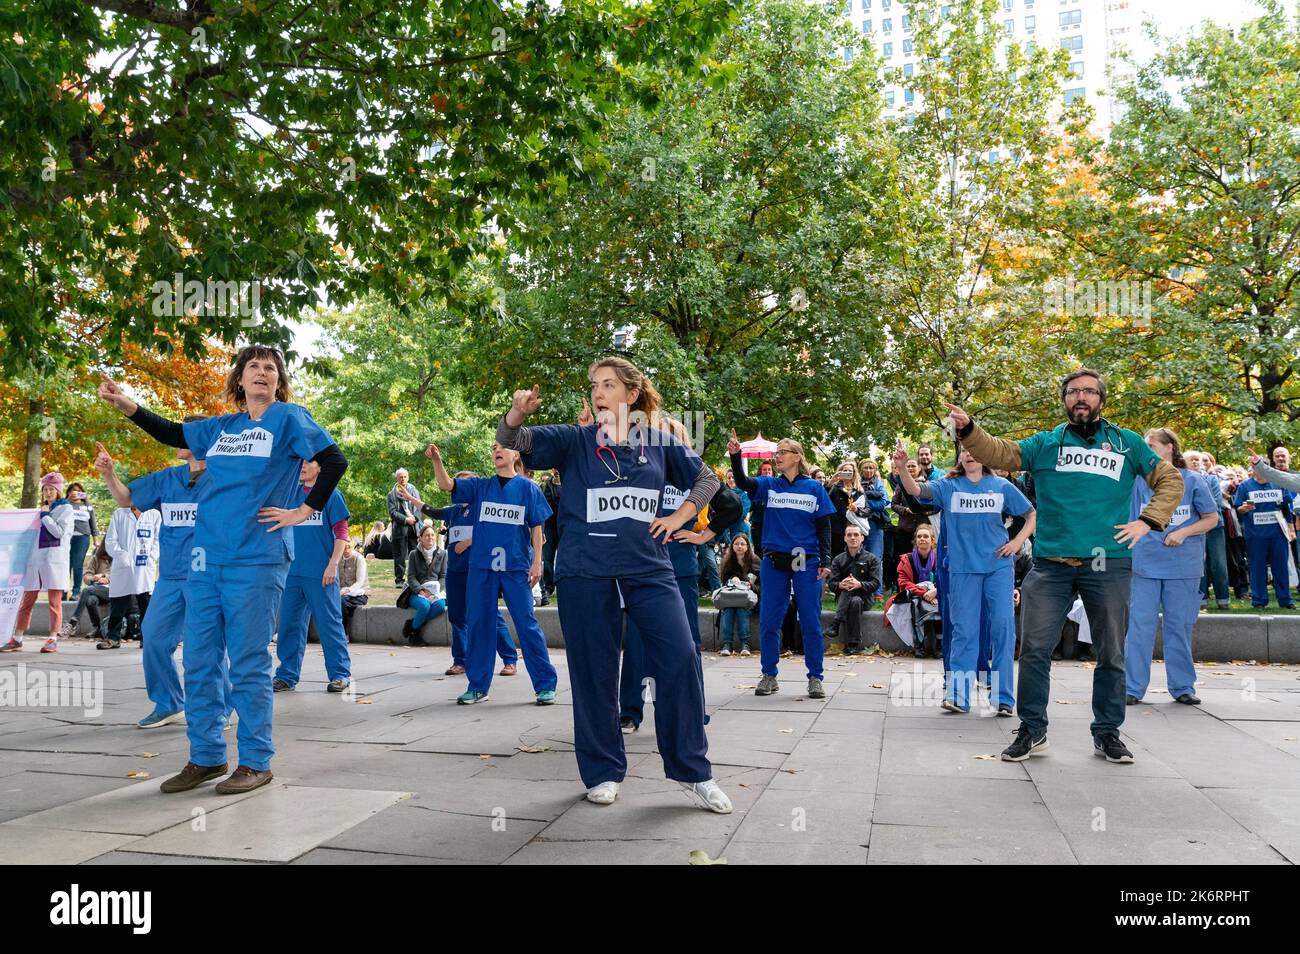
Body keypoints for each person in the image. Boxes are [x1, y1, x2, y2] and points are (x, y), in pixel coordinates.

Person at [99, 344, 347, 795]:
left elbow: (334, 461)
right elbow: (174, 432)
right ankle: (207, 756)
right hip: (204, 559)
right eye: (253, 366)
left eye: (270, 368)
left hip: (257, 558)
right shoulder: (223, 427)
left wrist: (302, 511)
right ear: (239, 378)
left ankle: (255, 761)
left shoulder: (290, 419)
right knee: (198, 659)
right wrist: (126, 404)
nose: (261, 373)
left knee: (249, 661)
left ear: (278, 381)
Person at [495, 357, 732, 813]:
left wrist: (682, 516)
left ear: (630, 393)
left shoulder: (660, 443)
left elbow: (706, 479)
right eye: (594, 385)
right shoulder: (574, 439)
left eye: (608, 384)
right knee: (593, 670)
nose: (599, 392)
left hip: (650, 570)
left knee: (681, 657)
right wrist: (517, 413)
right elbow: (512, 442)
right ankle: (603, 771)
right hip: (586, 572)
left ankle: (694, 770)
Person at [945, 367, 1182, 765]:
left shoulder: (1127, 444)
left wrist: (1148, 521)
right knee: (1035, 649)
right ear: (1065, 400)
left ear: (1101, 400)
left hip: (1108, 563)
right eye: (1073, 392)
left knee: (1111, 653)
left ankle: (1107, 733)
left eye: (1089, 391)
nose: (1081, 397)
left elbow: (1170, 480)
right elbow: (999, 452)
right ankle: (1032, 730)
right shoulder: (1046, 443)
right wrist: (969, 429)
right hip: (1051, 564)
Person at [93, 434, 234, 729]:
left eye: (183, 435)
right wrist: (109, 474)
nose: (176, 439)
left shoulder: (226, 478)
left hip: (208, 575)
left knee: (206, 644)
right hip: (170, 575)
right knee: (154, 636)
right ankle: (168, 703)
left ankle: (220, 706)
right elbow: (125, 498)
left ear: (204, 441)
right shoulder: (168, 478)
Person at [896, 441, 1035, 714]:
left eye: (975, 449)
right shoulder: (949, 486)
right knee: (963, 631)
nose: (969, 454)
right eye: (965, 450)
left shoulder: (1002, 486)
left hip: (998, 568)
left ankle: (1003, 697)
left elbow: (1030, 514)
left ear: (985, 455)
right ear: (960, 456)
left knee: (1002, 630)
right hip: (962, 570)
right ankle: (959, 696)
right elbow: (915, 490)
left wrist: (1017, 542)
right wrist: (902, 469)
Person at [424, 442, 557, 706]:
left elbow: (537, 529)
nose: (497, 450)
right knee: (479, 624)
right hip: (482, 566)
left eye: (503, 447)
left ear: (515, 454)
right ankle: (477, 686)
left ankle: (545, 685)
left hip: (516, 566)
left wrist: (537, 563)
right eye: (494, 447)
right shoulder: (480, 486)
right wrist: (437, 461)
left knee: (526, 623)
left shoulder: (528, 489)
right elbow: (446, 485)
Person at [729, 430, 835, 699]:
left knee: (810, 620)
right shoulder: (769, 484)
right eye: (776, 453)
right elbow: (743, 481)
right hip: (774, 560)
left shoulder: (814, 487)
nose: (777, 457)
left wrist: (826, 560)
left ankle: (815, 677)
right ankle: (769, 674)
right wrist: (735, 456)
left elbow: (824, 527)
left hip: (806, 561)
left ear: (797, 457)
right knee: (769, 620)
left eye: (782, 452)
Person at [1124, 429, 1218, 707]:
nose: (1146, 450)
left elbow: (1211, 518)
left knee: (1178, 627)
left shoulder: (1193, 480)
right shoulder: (1138, 482)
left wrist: (1184, 532)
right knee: (1139, 627)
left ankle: (1182, 687)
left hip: (1183, 566)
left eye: (1151, 446)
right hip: (1145, 565)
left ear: (1169, 449)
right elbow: (1128, 521)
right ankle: (1132, 688)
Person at [397, 471, 520, 675]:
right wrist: (410, 499)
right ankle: (460, 661)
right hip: (455, 573)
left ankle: (509, 659)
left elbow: (495, 533)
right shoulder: (453, 511)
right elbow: (430, 510)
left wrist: (470, 542)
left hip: (478, 572)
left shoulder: (482, 509)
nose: (459, 488)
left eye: (464, 484)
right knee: (456, 617)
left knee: (490, 614)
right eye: (457, 484)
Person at [273, 459, 353, 693]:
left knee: (330, 625)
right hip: (291, 573)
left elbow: (342, 533)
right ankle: (286, 676)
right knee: (289, 626)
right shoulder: (290, 494)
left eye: (308, 462)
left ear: (321, 467)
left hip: (321, 573)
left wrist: (333, 564)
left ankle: (340, 674)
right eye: (300, 462)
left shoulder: (331, 495)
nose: (303, 466)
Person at [2, 472, 76, 653]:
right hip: (36, 560)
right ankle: (17, 638)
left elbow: (58, 532)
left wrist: (45, 517)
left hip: (54, 560)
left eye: (52, 489)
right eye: (45, 489)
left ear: (58, 491)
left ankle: (52, 638)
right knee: (27, 600)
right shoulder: (40, 510)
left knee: (54, 602)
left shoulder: (65, 509)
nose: (48, 492)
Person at [1233, 451, 1296, 609]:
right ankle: (1259, 600)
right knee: (1257, 567)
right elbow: (1238, 509)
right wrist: (1245, 508)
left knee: (1281, 567)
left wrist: (1291, 528)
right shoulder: (1245, 486)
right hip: (1255, 535)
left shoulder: (1278, 484)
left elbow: (1286, 508)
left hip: (1278, 534)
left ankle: (1285, 600)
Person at [100, 504, 159, 650]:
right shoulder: (119, 514)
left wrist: (152, 556)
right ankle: (113, 637)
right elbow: (110, 540)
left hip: (145, 565)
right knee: (118, 603)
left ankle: (146, 638)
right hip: (123, 565)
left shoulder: (154, 514)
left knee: (145, 603)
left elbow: (159, 539)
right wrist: (122, 556)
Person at [884, 523, 942, 657]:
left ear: (932, 540)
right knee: (916, 605)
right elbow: (903, 583)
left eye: (926, 536)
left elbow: (946, 580)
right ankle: (919, 645)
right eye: (919, 536)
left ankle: (940, 646)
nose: (922, 539)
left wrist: (935, 592)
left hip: (936, 594)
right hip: (914, 595)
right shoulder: (907, 559)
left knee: (943, 605)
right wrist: (924, 593)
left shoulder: (939, 559)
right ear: (915, 540)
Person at [828, 524, 882, 655]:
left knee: (855, 594)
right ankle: (853, 644)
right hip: (845, 600)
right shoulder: (838, 559)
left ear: (862, 538)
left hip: (866, 599)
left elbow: (876, 583)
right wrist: (841, 584)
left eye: (856, 535)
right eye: (849, 535)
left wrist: (859, 584)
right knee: (854, 599)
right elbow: (832, 584)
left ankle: (836, 623)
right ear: (845, 538)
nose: (853, 538)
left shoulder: (872, 559)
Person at [397, 524, 448, 643]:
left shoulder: (443, 554)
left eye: (432, 535)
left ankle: (412, 625)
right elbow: (411, 577)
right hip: (417, 592)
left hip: (436, 592)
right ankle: (414, 633)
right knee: (424, 606)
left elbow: (443, 576)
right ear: (420, 538)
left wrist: (436, 590)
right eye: (426, 535)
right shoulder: (413, 554)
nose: (430, 537)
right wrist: (421, 590)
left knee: (440, 607)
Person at [717, 533, 759, 656]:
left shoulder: (755, 562)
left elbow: (763, 587)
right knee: (728, 610)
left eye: (742, 544)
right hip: (731, 598)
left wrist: (751, 586)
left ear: (748, 546)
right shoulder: (728, 562)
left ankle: (745, 644)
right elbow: (724, 584)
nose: (739, 546)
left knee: (742, 610)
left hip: (750, 599)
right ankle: (727, 644)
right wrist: (732, 580)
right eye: (736, 544)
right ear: (732, 546)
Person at [62, 541, 112, 638]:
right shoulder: (96, 558)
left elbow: (120, 575)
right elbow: (87, 576)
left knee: (86, 590)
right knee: (90, 600)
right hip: (96, 589)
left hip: (113, 591)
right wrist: (93, 578)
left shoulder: (119, 558)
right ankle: (97, 627)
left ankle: (73, 622)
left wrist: (105, 577)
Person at [387, 468, 421, 586]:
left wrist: (414, 519)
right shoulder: (391, 494)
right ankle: (399, 580)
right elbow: (392, 513)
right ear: (397, 478)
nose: (403, 479)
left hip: (414, 527)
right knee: (400, 556)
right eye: (400, 477)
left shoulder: (414, 491)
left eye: (405, 476)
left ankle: (416, 578)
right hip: (400, 528)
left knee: (415, 554)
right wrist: (406, 520)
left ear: (408, 477)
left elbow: (419, 507)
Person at [65, 482, 97, 599]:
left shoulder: (87, 506)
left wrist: (95, 540)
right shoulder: (65, 504)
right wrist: (68, 499)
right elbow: (58, 511)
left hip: (83, 537)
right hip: (66, 538)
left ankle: (76, 592)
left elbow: (92, 523)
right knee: (65, 564)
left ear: (82, 493)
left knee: (77, 564)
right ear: (68, 492)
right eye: (72, 491)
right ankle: (63, 590)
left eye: (78, 491)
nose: (75, 493)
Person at [338, 538, 369, 638]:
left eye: (349, 547)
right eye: (344, 547)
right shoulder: (338, 559)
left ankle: (345, 633)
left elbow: (359, 582)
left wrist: (348, 590)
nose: (346, 550)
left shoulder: (359, 559)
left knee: (342, 602)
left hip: (360, 594)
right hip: (342, 593)